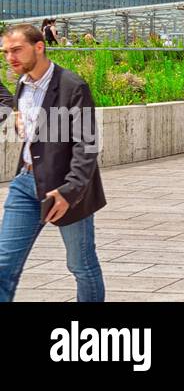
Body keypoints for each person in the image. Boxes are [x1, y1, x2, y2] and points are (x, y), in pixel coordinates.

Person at [0, 24, 106, 302]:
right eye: (6, 52)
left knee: (80, 265)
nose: (10, 57)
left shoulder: (72, 86)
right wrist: (16, 114)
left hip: (64, 189)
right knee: (3, 266)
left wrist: (70, 191)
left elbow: (87, 146)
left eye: (16, 50)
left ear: (39, 46)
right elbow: (27, 117)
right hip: (25, 183)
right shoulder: (22, 83)